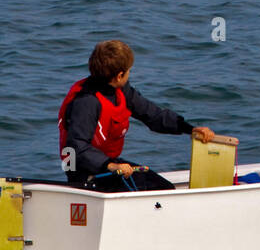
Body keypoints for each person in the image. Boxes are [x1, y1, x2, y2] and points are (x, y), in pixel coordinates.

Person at [58, 39, 213, 191]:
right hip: (85, 173)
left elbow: (152, 115)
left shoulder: (122, 91)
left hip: (108, 165)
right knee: (152, 191)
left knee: (164, 188)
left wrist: (189, 129)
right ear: (119, 76)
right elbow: (75, 147)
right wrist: (110, 165)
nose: (129, 74)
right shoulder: (87, 102)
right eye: (129, 70)